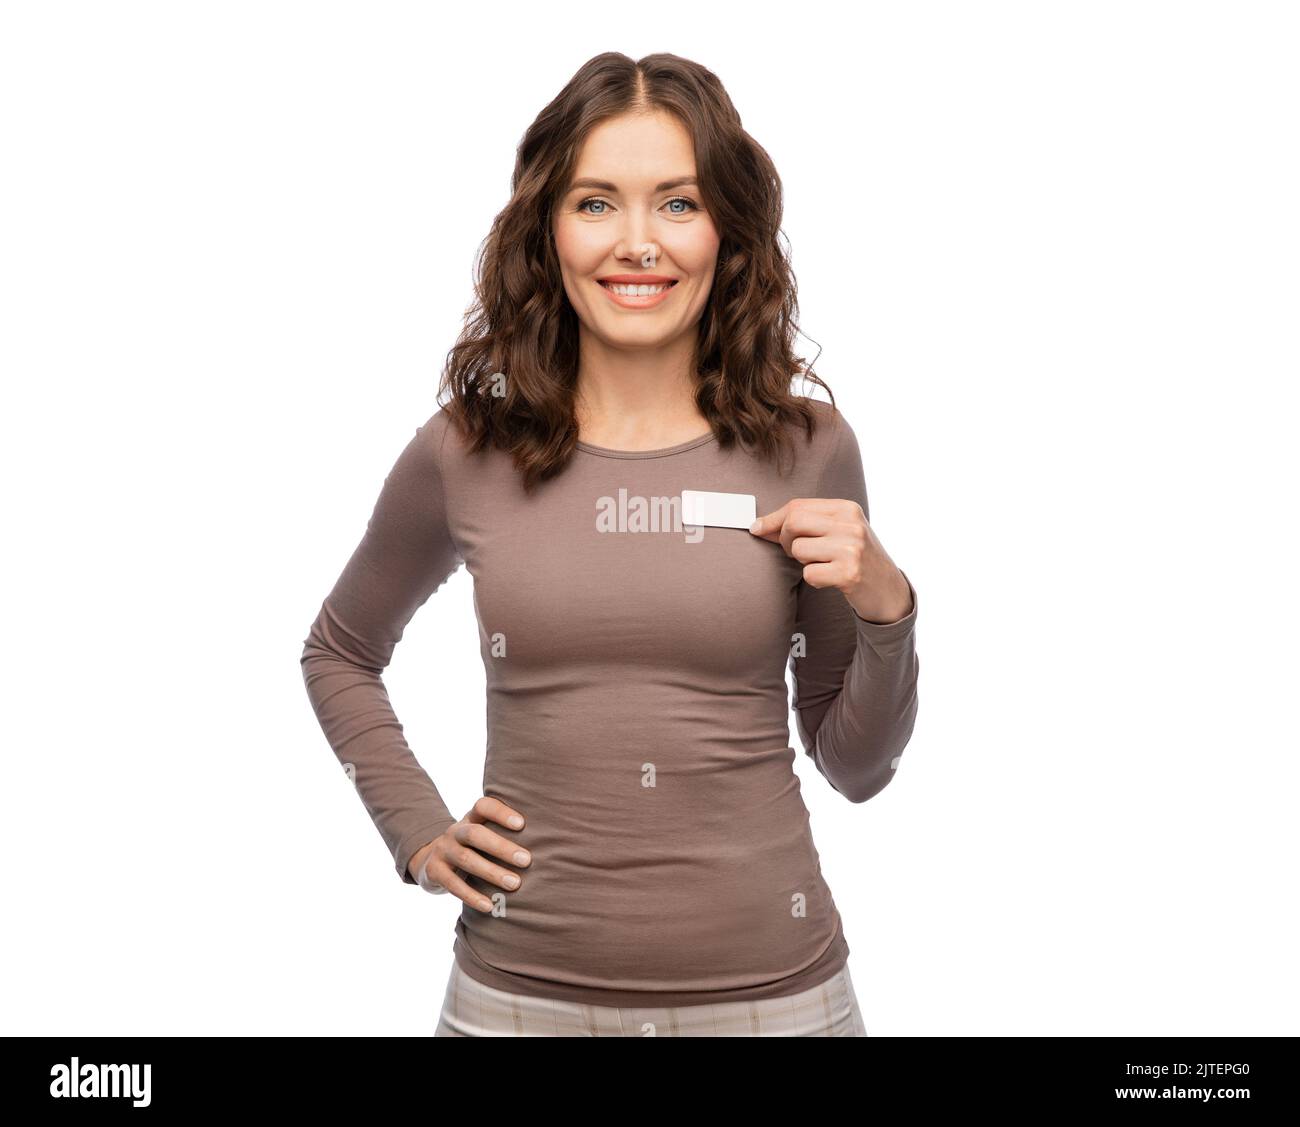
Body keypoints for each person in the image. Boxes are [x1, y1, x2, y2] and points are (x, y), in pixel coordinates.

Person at [300, 51, 919, 1037]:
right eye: (596, 203)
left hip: (775, 1000)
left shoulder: (810, 448)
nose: (637, 244)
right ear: (548, 230)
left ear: (728, 231)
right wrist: (415, 830)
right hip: (515, 1000)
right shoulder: (466, 449)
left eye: (676, 203)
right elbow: (340, 649)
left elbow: (855, 765)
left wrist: (889, 609)